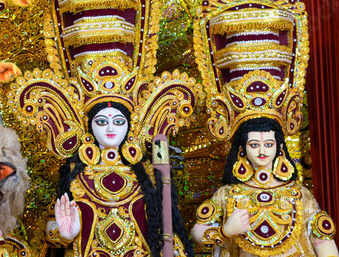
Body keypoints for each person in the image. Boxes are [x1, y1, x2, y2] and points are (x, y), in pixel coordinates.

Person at [48, 102, 191, 257]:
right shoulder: (75, 178)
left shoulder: (147, 177)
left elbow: (166, 227)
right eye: (102, 122)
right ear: (90, 127)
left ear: (128, 127)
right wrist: (65, 235)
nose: (110, 129)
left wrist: (173, 249)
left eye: (118, 122)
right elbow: (51, 227)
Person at [190, 117, 337, 257]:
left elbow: (322, 238)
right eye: (254, 145)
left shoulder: (298, 193)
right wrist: (225, 231)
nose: (262, 151)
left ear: (279, 147)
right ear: (242, 148)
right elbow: (197, 233)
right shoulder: (228, 194)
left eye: (268, 145)